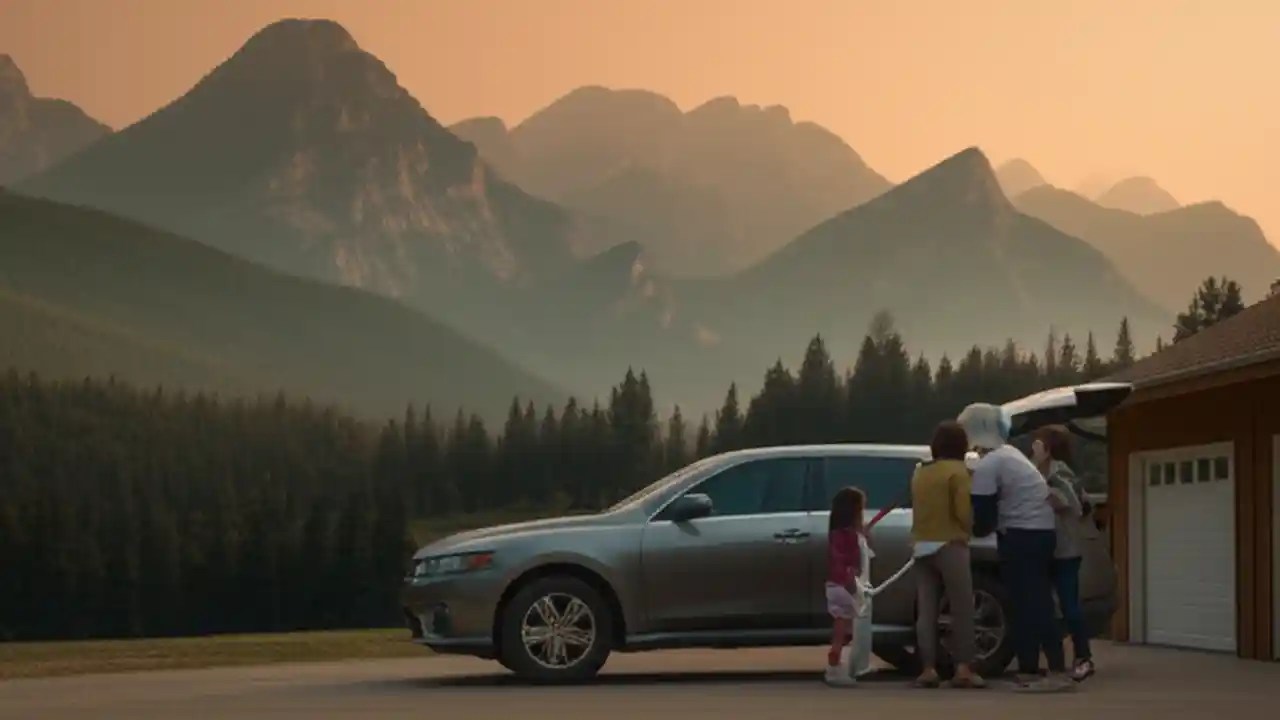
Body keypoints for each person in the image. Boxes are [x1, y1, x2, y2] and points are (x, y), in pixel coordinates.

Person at [958, 403, 1073, 693]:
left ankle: (1056, 671)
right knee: (1027, 603)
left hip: (1024, 535)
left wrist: (963, 529)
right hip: (1038, 531)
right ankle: (1030, 669)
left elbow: (983, 518)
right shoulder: (1011, 456)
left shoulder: (990, 464)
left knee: (1032, 602)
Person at [909, 421, 986, 689]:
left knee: (927, 610)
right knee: (961, 607)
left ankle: (928, 668)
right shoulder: (958, 472)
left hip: (921, 545)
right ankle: (963, 667)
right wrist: (971, 528)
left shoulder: (920, 472)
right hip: (950, 543)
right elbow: (963, 512)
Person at [1033, 424, 1096, 682]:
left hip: (1066, 549)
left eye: (1038, 443)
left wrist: (1046, 494)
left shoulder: (1060, 473)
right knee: (1047, 606)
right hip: (1047, 547)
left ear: (1049, 449)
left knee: (1070, 605)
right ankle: (1055, 660)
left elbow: (1075, 504)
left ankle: (1084, 657)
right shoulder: (1037, 471)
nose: (1033, 447)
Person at [824, 486, 867, 687]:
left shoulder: (836, 533)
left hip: (833, 583)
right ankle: (837, 662)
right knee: (846, 626)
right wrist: (850, 580)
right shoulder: (850, 535)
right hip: (844, 584)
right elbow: (848, 560)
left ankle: (839, 662)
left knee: (842, 624)